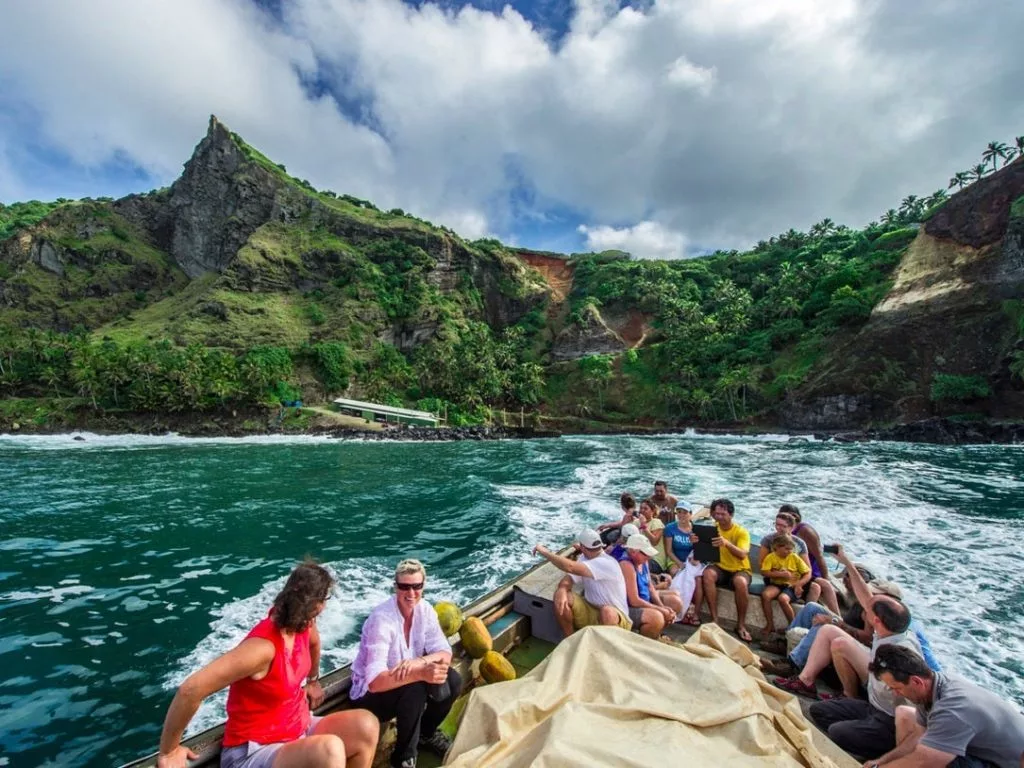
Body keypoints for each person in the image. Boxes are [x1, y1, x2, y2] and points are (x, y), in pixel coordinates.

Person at [155, 561, 379, 768]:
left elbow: (314, 644)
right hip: (252, 750)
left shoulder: (304, 625)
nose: (323, 607)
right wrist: (169, 750)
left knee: (365, 725)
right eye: (323, 600)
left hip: (296, 728)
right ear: (313, 604)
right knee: (330, 750)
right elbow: (191, 689)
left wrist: (313, 680)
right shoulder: (262, 649)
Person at [778, 545, 925, 760]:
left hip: (888, 716)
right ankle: (815, 685)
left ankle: (871, 742)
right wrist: (845, 561)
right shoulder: (890, 629)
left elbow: (910, 704)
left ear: (876, 620)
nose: (866, 608)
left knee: (838, 732)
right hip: (872, 701)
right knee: (819, 712)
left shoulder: (900, 654)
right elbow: (866, 597)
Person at [350, 559, 462, 768]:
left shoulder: (425, 610)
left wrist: (419, 662)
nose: (411, 593)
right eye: (404, 587)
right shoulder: (381, 620)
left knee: (453, 680)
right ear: (396, 587)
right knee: (416, 689)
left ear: (423, 587)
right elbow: (374, 682)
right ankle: (403, 757)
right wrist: (419, 673)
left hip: (404, 679)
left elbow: (444, 651)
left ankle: (426, 735)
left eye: (416, 586)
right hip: (370, 696)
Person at [866, 644, 1024, 768]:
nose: (895, 694)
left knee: (941, 759)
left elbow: (925, 762)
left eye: (897, 688)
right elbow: (918, 737)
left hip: (1008, 764)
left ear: (916, 681)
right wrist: (880, 762)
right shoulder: (931, 689)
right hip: (983, 750)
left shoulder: (953, 709)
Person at [760, 562, 877, 671]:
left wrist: (835, 622)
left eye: (848, 577)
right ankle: (786, 644)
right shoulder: (856, 598)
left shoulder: (869, 607)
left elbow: (868, 638)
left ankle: (793, 664)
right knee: (811, 607)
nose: (844, 579)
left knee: (823, 626)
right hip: (845, 626)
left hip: (853, 641)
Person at [534, 529, 632, 635]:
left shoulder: (607, 563)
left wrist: (544, 552)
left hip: (617, 619)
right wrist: (562, 590)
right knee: (561, 595)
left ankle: (605, 648)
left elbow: (570, 567)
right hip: (592, 610)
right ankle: (570, 639)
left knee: (607, 611)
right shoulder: (584, 558)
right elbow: (568, 580)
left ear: (583, 547)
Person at [756, 510, 840, 613]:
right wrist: (780, 574)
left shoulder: (799, 543)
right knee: (815, 587)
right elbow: (762, 566)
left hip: (796, 576)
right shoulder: (768, 540)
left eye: (783, 526)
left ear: (791, 528)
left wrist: (799, 584)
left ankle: (837, 617)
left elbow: (807, 570)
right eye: (777, 525)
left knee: (822, 585)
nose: (779, 528)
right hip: (776, 577)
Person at [695, 498, 754, 642]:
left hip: (740, 569)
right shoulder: (712, 528)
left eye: (723, 514)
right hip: (720, 567)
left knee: (740, 582)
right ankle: (715, 619)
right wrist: (696, 540)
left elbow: (742, 554)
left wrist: (726, 544)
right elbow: (704, 548)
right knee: (707, 574)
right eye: (716, 514)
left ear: (731, 515)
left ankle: (740, 625)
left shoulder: (741, 532)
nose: (719, 517)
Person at [617, 534, 683, 637]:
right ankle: (647, 637)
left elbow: (650, 587)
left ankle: (656, 633)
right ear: (634, 551)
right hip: (629, 607)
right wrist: (659, 610)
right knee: (657, 617)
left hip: (644, 599)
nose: (649, 557)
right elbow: (634, 600)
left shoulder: (644, 561)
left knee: (676, 602)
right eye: (646, 554)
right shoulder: (626, 565)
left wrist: (662, 606)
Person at [759, 533, 813, 637]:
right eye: (786, 549)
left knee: (783, 599)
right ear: (777, 548)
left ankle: (793, 626)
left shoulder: (794, 557)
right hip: (776, 583)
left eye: (791, 549)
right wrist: (780, 574)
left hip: (791, 586)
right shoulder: (771, 557)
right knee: (766, 595)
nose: (789, 551)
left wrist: (799, 584)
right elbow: (764, 572)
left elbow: (807, 573)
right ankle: (770, 624)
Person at [664, 503, 704, 625]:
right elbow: (669, 551)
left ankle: (694, 611)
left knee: (697, 580)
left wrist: (694, 560)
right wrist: (680, 564)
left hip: (692, 560)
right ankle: (680, 607)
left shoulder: (697, 530)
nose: (681, 515)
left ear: (690, 514)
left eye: (684, 512)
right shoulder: (670, 528)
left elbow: (701, 550)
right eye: (679, 512)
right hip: (675, 559)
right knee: (676, 573)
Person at [636, 498, 669, 575]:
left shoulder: (657, 523)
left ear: (653, 511)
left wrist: (644, 526)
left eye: (645, 509)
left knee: (636, 566)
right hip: (640, 555)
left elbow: (654, 542)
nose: (642, 510)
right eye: (641, 508)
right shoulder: (636, 522)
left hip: (655, 559)